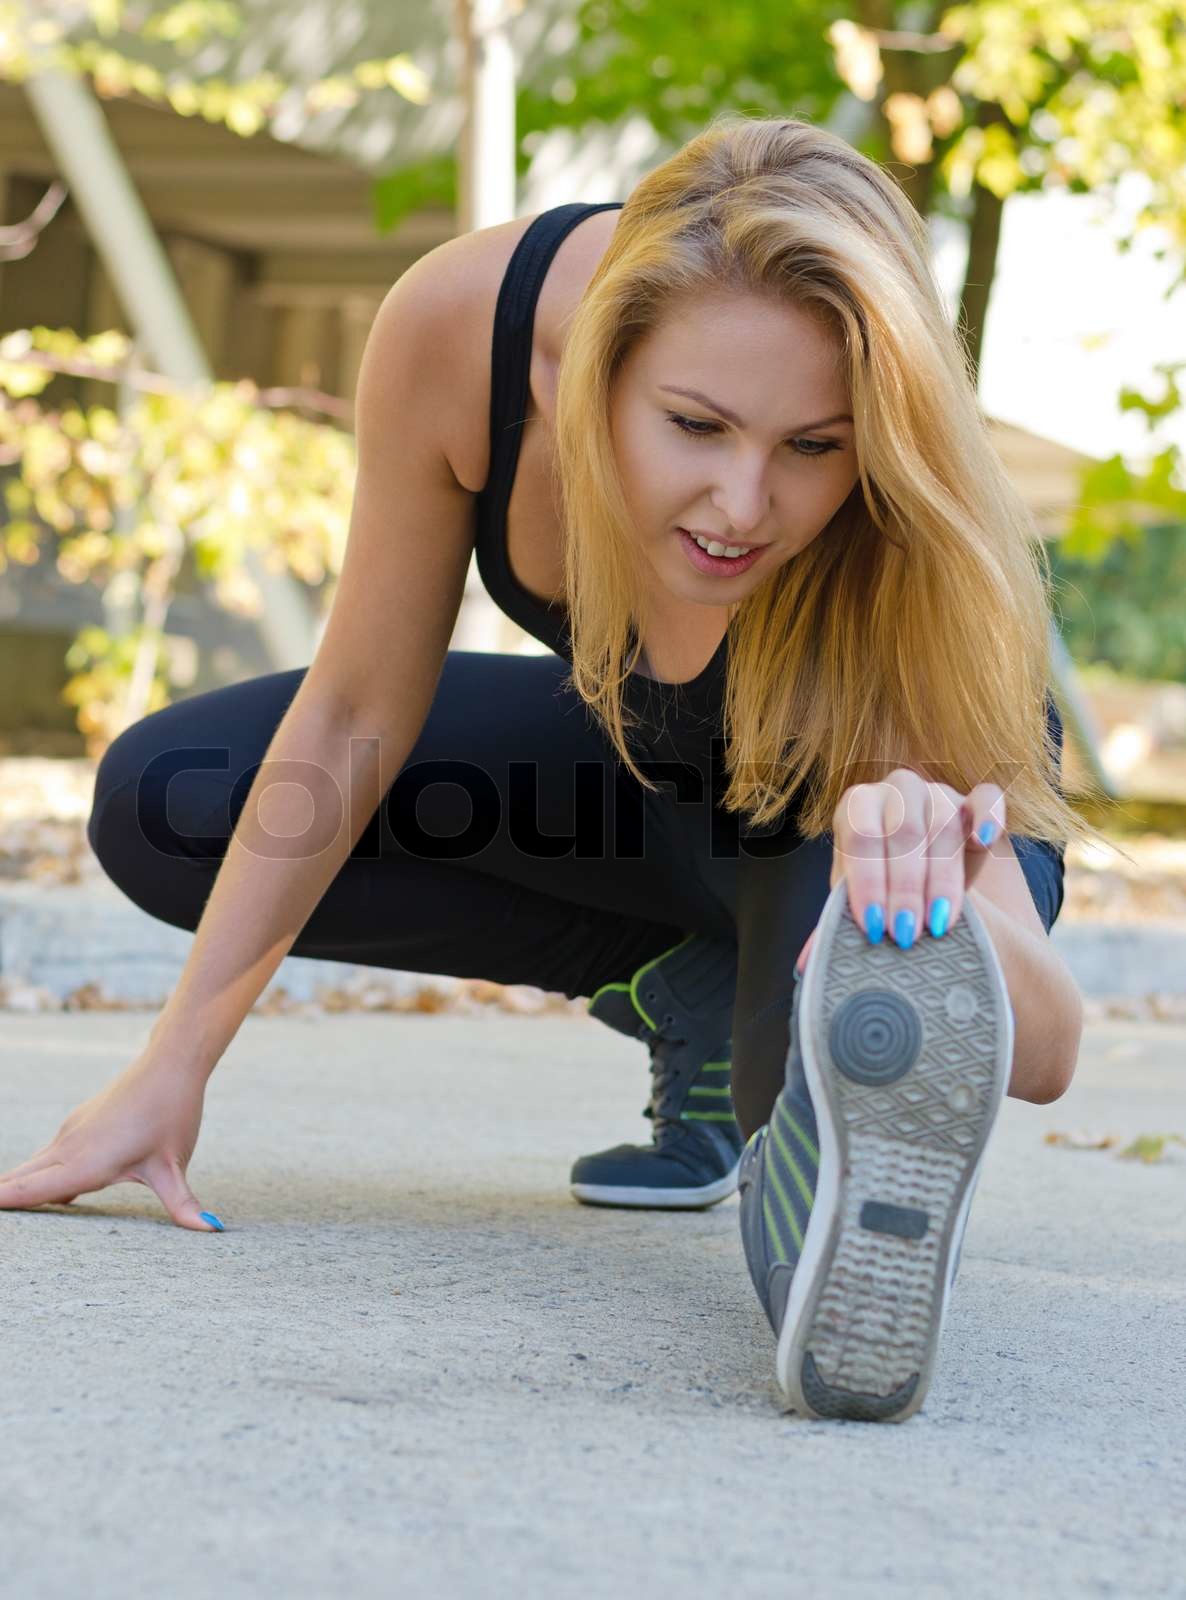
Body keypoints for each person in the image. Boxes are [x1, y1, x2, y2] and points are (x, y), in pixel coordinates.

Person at [0, 114, 1087, 1421]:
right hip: (641, 769)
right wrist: (173, 1063)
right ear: (597, 362)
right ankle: (677, 983)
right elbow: (353, 712)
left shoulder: (906, 548)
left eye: (814, 446)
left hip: (835, 812)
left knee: (809, 1186)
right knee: (174, 800)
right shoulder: (465, 327)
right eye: (694, 425)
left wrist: (948, 894)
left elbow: (1044, 1052)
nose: (743, 504)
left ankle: (788, 1036)